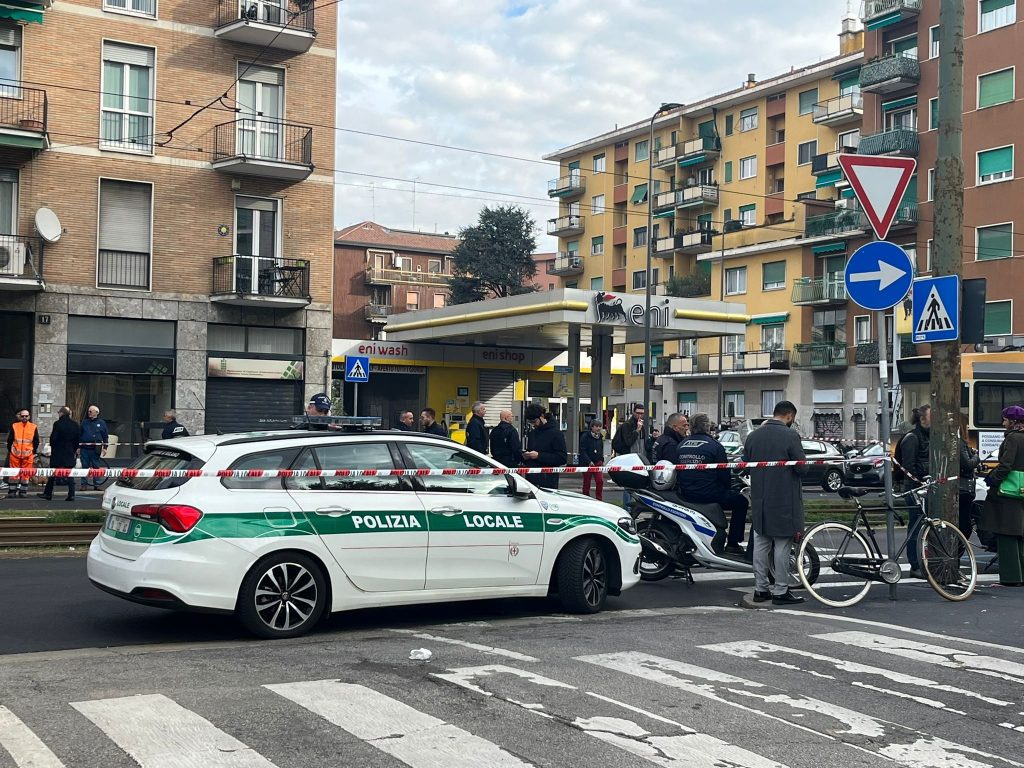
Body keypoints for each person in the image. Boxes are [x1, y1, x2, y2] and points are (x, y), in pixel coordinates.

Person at [743, 400, 807, 605]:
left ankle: (760, 589)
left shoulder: (753, 436)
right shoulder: (790, 435)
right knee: (782, 545)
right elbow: (801, 467)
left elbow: (746, 463)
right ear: (789, 415)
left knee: (761, 544)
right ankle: (780, 590)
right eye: (793, 419)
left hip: (760, 497)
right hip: (784, 498)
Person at [675, 413, 749, 555]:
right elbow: (724, 475)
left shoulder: (682, 445)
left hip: (685, 494)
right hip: (708, 493)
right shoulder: (715, 446)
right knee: (741, 502)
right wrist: (727, 488)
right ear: (708, 427)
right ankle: (733, 543)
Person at [979, 405, 1024, 587]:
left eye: (1004, 419)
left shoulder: (1013, 438)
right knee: (1020, 534)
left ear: (1012, 421)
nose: (1002, 423)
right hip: (1021, 491)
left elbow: (1006, 465)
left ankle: (1010, 578)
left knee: (1006, 534)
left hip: (1008, 492)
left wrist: (992, 480)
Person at [895, 403, 931, 579]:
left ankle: (923, 562)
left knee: (925, 527)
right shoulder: (912, 438)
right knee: (916, 527)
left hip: (925, 486)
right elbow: (908, 468)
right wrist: (918, 482)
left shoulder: (928, 436)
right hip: (916, 489)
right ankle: (915, 564)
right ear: (923, 419)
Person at [521, 403, 567, 490]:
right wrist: (525, 456)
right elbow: (531, 452)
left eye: (534, 422)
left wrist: (539, 455)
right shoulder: (533, 433)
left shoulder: (556, 433)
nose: (533, 425)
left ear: (542, 416)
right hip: (531, 480)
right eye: (530, 423)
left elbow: (562, 458)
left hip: (548, 482)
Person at [41, 406, 81, 502]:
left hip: (58, 452)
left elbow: (53, 438)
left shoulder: (58, 424)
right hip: (69, 452)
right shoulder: (75, 425)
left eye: (59, 412)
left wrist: (53, 446)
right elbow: (77, 440)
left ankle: (48, 493)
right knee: (69, 474)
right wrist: (74, 449)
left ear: (61, 413)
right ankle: (71, 494)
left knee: (53, 473)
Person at [958, 412, 981, 543]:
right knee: (965, 527)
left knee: (964, 524)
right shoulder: (960, 443)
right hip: (964, 488)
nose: (968, 429)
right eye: (966, 426)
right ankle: (956, 553)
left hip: (963, 488)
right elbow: (967, 464)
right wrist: (976, 456)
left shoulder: (959, 443)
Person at [6, 408, 38, 498]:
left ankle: (23, 492)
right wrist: (11, 450)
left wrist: (33, 452)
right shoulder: (15, 426)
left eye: (26, 416)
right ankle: (12, 491)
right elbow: (10, 440)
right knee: (13, 474)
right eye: (22, 416)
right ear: (20, 416)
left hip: (28, 455)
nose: (24, 417)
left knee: (25, 475)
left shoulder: (33, 427)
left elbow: (36, 441)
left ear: (29, 417)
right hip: (15, 454)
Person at [80, 405, 109, 491]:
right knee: (84, 467)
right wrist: (78, 447)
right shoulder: (84, 422)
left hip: (96, 448)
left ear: (96, 413)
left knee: (96, 466)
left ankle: (97, 484)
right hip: (84, 448)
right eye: (88, 411)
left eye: (91, 411)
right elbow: (79, 434)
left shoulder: (102, 423)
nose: (89, 413)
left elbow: (105, 436)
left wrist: (105, 447)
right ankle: (83, 484)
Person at [578, 419, 605, 501]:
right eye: (596, 426)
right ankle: (586, 499)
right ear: (592, 427)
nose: (598, 428)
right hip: (587, 463)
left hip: (597, 463)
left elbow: (601, 449)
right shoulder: (585, 436)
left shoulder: (600, 437)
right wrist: (589, 461)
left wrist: (601, 460)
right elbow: (582, 450)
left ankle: (599, 499)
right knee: (587, 482)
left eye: (600, 426)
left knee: (600, 481)